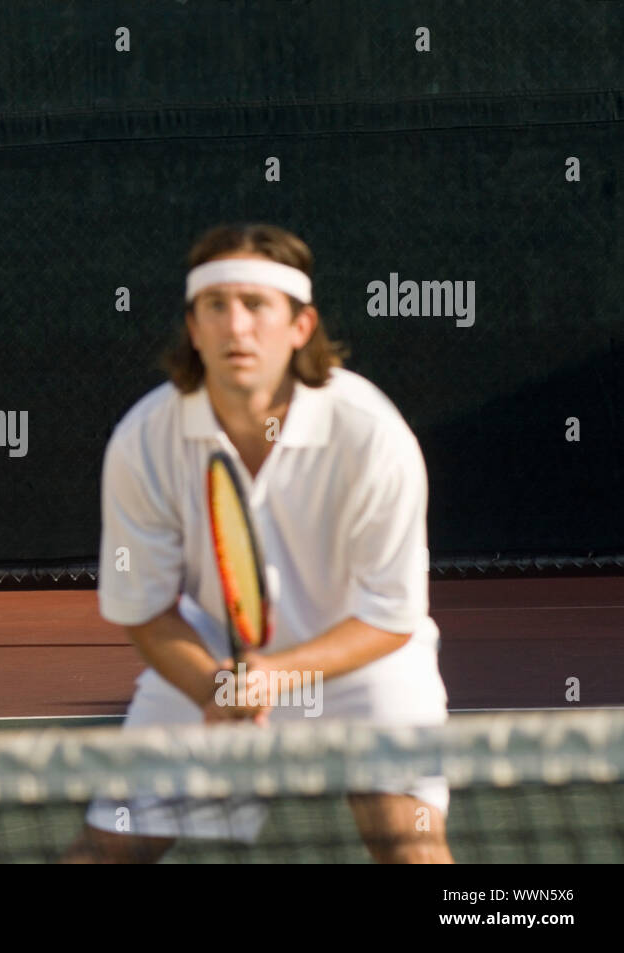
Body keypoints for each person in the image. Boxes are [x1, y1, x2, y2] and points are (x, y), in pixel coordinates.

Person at [62, 223, 452, 863]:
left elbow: (391, 615)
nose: (236, 328)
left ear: (301, 326)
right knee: (107, 851)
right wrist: (214, 687)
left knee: (410, 846)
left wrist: (277, 676)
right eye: (216, 306)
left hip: (364, 666)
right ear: (193, 327)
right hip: (211, 656)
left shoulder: (371, 435)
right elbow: (146, 609)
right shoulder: (144, 439)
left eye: (256, 306)